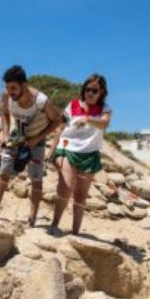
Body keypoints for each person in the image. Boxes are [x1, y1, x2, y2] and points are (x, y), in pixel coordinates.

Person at [0, 65, 62, 226]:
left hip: (37, 140)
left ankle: (32, 218)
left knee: (36, 178)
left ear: (24, 84)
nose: (11, 91)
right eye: (8, 88)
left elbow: (58, 120)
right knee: (4, 171)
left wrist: (38, 138)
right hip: (17, 136)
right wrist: (6, 135)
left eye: (14, 87)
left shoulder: (41, 100)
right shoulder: (7, 95)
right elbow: (5, 115)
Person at [49, 74, 113, 236]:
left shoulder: (105, 109)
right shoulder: (72, 105)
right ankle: (54, 225)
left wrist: (88, 118)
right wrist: (51, 150)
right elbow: (60, 127)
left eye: (94, 90)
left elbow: (104, 124)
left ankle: (75, 232)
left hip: (89, 154)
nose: (90, 93)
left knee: (81, 195)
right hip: (67, 149)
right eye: (87, 89)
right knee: (66, 188)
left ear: (102, 92)